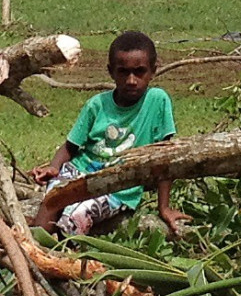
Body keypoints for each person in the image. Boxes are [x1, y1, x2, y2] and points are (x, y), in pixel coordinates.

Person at [31, 31, 185, 237]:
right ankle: (29, 253)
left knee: (76, 216)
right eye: (123, 72)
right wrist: (53, 168)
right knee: (53, 200)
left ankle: (64, 259)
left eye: (139, 72)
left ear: (153, 71)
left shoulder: (157, 101)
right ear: (111, 72)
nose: (131, 80)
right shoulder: (97, 104)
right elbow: (70, 147)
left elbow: (165, 157)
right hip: (79, 171)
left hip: (118, 187)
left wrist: (163, 207)